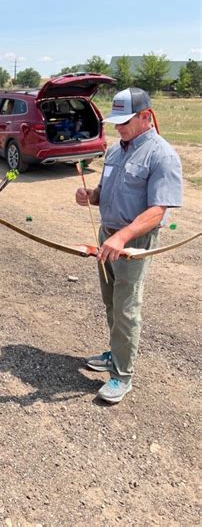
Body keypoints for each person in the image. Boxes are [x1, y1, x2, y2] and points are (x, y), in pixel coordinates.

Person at [75, 87, 183, 404]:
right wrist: (90, 197)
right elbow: (103, 191)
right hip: (107, 236)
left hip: (132, 242)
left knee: (126, 307)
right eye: (116, 122)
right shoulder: (116, 150)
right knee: (111, 300)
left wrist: (122, 236)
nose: (119, 127)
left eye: (125, 121)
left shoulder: (162, 155)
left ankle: (122, 375)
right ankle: (115, 353)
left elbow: (158, 210)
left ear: (146, 117)